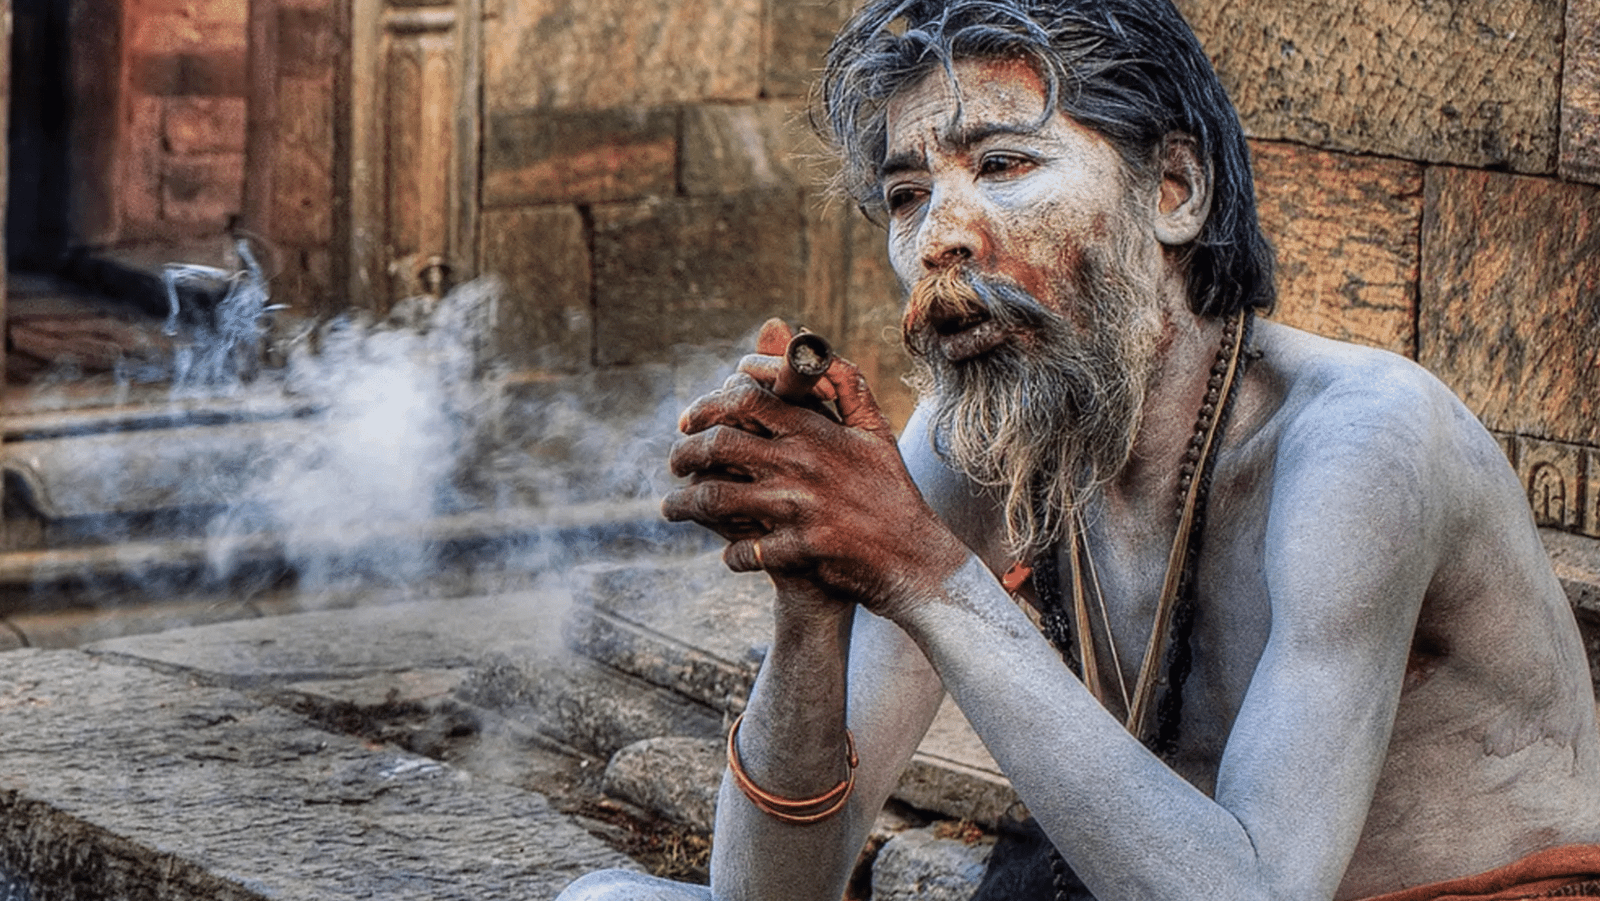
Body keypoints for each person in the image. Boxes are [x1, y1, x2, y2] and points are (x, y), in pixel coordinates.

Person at [559, 1, 1600, 898]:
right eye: (907, 193)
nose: (939, 237)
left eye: (1004, 162)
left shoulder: (1363, 441)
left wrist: (923, 572)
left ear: (1174, 190)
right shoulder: (982, 439)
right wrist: (812, 591)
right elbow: (767, 892)